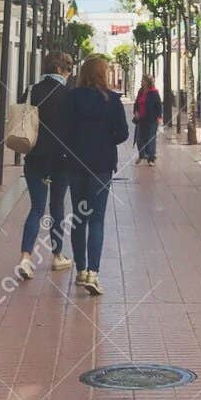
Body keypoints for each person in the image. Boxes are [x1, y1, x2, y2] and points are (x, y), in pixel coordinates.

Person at [60, 54, 128, 296]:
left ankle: (80, 270)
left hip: (76, 165)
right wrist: (105, 137)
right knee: (97, 218)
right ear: (102, 74)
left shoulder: (71, 98)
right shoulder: (111, 101)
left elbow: (63, 130)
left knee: (79, 217)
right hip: (101, 165)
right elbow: (122, 134)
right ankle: (93, 273)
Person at [16, 51, 74, 281]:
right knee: (57, 206)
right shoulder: (69, 95)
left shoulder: (32, 90)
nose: (69, 74)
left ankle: (25, 258)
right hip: (61, 160)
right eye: (68, 69)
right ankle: (57, 256)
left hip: (34, 157)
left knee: (37, 208)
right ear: (60, 69)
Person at [133, 74, 162, 164]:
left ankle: (151, 158)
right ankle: (142, 155)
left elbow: (158, 106)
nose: (141, 82)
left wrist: (159, 117)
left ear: (147, 82)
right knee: (139, 138)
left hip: (151, 119)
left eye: (143, 80)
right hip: (141, 119)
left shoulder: (154, 92)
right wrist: (136, 111)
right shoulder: (141, 91)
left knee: (151, 138)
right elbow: (136, 103)